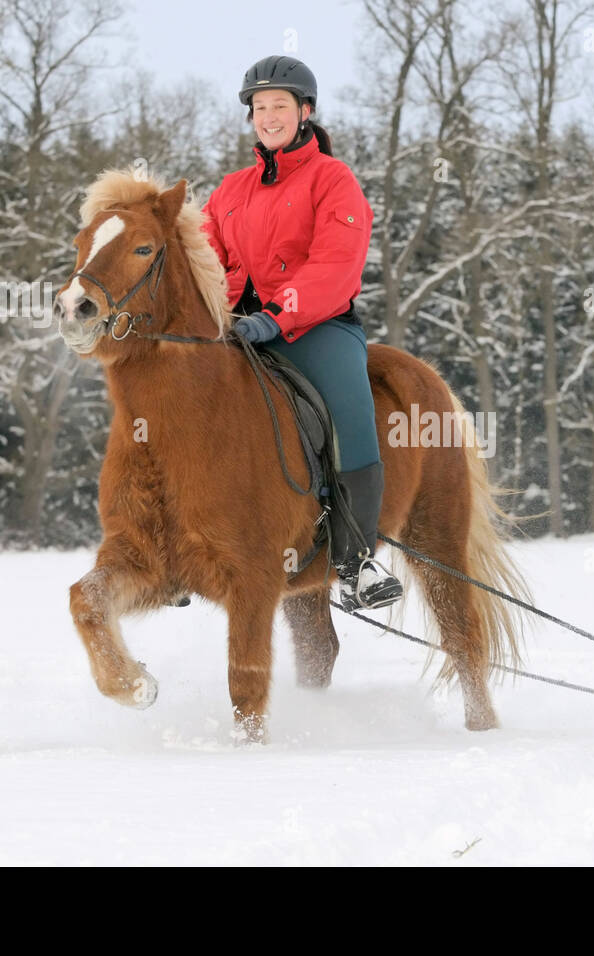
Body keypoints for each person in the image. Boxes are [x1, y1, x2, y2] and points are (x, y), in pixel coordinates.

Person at [200, 55, 403, 611]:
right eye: (259, 108)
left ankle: (357, 561)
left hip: (316, 324)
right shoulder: (228, 191)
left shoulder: (333, 179)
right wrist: (213, 313)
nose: (268, 117)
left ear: (305, 112)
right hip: (240, 328)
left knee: (350, 411)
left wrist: (279, 313)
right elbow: (204, 260)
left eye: (280, 107)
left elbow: (336, 264)